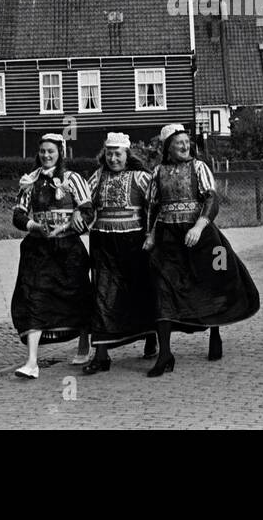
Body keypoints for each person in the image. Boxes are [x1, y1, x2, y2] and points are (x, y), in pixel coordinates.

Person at [143, 124, 260, 377]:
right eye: (178, 143)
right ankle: (165, 353)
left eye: (187, 142)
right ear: (167, 148)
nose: (185, 146)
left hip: (201, 235)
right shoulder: (158, 172)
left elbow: (211, 199)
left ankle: (215, 331)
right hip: (168, 238)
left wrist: (198, 226)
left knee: (212, 280)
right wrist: (150, 234)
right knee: (163, 288)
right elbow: (153, 205)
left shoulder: (198, 167)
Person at [10, 133, 94, 379]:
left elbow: (88, 210)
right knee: (33, 296)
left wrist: (75, 220)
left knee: (77, 295)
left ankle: (84, 345)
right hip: (38, 249)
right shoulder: (30, 180)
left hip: (68, 248)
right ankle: (32, 361)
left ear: (60, 153)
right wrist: (34, 226)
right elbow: (18, 215)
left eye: (51, 151)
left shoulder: (72, 179)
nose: (46, 156)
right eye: (43, 151)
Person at [76, 132, 158, 375]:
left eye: (118, 154)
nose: (113, 158)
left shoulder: (142, 178)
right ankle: (101, 355)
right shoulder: (97, 177)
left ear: (127, 154)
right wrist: (78, 215)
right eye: (109, 154)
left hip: (134, 243)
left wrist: (151, 236)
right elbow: (85, 203)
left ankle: (150, 335)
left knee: (139, 291)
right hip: (103, 242)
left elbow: (154, 206)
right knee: (101, 294)